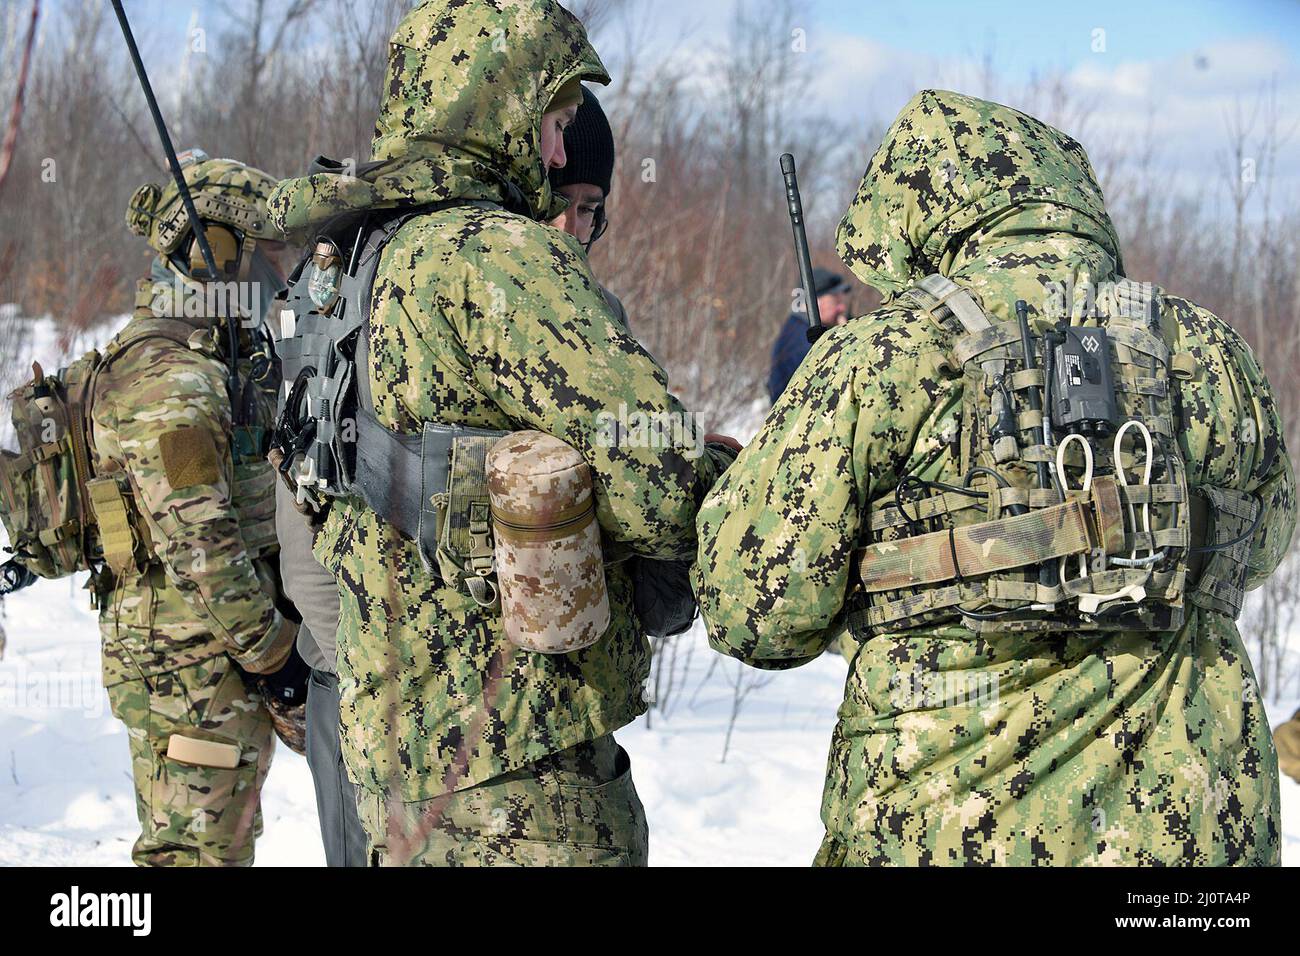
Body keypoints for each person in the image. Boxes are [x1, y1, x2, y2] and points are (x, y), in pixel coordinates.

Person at [694, 89, 1295, 866]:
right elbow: (1260, 546)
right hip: (1193, 840)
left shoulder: (884, 354)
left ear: (925, 214)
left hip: (947, 826)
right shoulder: (1214, 352)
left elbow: (753, 608)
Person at [267, 0, 734, 866]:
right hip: (521, 769)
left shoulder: (355, 257)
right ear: (497, 104)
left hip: (392, 763)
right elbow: (663, 492)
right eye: (553, 121)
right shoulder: (502, 255)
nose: (559, 154)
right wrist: (715, 468)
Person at [95, 151, 301, 866]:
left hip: (208, 661)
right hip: (188, 665)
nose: (281, 273)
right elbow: (202, 545)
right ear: (213, 253)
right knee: (194, 856)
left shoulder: (213, 357)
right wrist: (278, 657)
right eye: (268, 253)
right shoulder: (171, 384)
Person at [767, 267, 850, 403]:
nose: (842, 308)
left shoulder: (797, 329)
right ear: (815, 303)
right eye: (836, 302)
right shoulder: (805, 342)